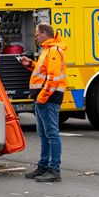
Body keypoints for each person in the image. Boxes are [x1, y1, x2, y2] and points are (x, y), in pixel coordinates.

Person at [17, 23, 67, 182]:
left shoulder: (53, 51)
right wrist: (30, 64)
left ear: (45, 33)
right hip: (44, 98)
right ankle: (44, 166)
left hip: (48, 98)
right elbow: (44, 72)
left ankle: (54, 170)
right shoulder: (47, 50)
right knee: (44, 134)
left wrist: (42, 98)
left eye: (37, 34)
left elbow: (52, 78)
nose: (36, 37)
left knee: (51, 134)